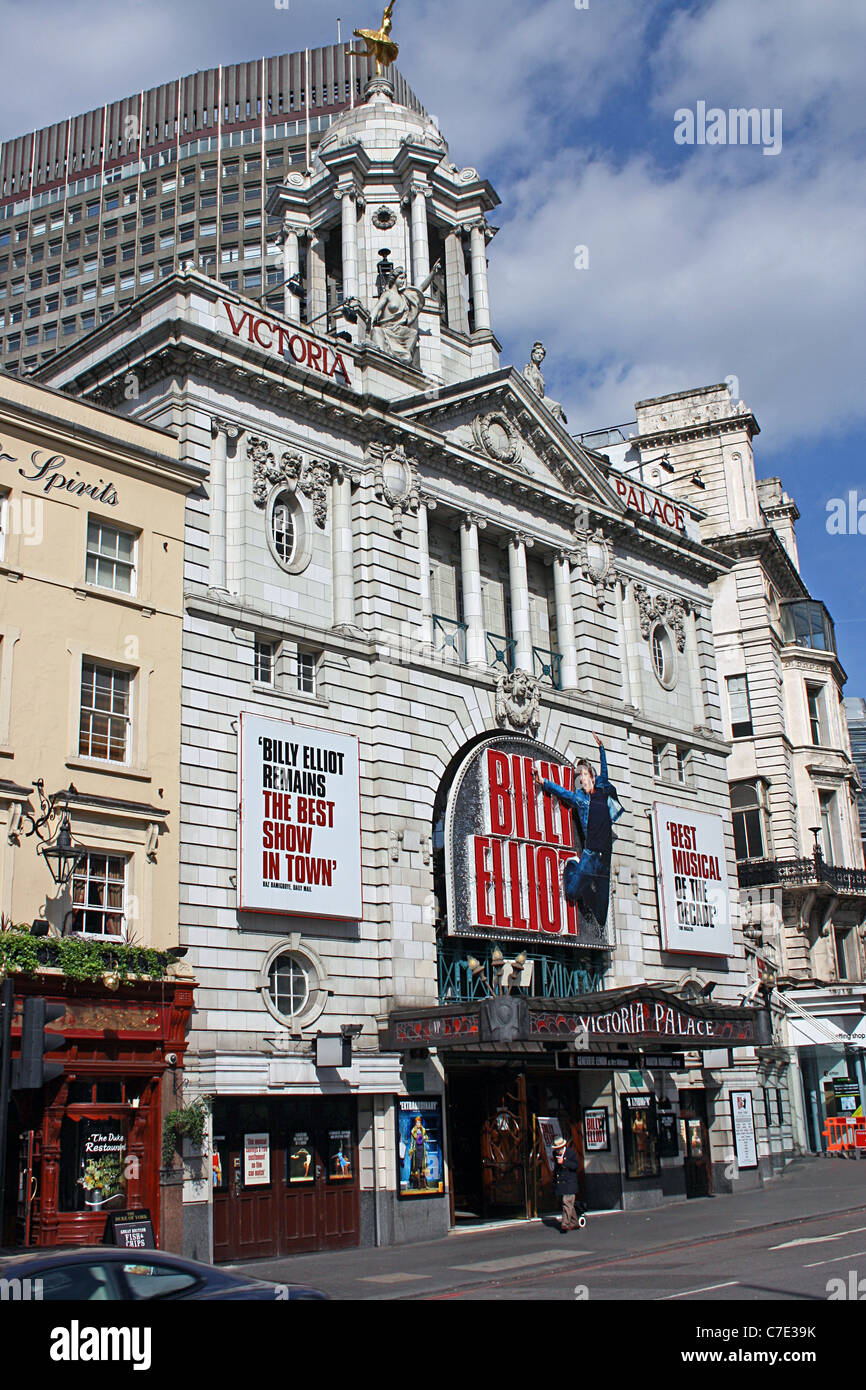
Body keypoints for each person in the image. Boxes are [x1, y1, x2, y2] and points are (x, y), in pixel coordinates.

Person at [534, 733, 624, 926]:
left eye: (585, 774)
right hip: (590, 854)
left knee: (601, 915)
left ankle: (590, 893)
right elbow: (562, 792)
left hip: (605, 855)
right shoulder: (579, 799)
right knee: (572, 891)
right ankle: (572, 865)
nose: (583, 779)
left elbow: (605, 771)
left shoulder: (601, 788)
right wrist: (544, 782)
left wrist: (601, 748)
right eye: (580, 776)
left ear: (592, 776)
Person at [367, 263, 441, 365]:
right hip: (386, 329)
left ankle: (403, 357)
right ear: (394, 279)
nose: (403, 281)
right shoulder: (387, 294)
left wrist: (432, 273)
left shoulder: (405, 296)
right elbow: (376, 309)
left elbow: (421, 289)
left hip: (399, 330)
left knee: (413, 333)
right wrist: (370, 320)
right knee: (376, 332)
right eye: (401, 278)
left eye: (404, 279)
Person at [551, 1135, 583, 1232]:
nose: (558, 1151)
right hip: (561, 1184)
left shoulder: (570, 1153)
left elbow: (575, 1165)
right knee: (568, 1204)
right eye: (556, 1149)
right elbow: (556, 1169)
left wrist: (564, 1162)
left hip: (570, 1183)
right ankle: (574, 1222)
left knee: (567, 1202)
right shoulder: (555, 1154)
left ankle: (565, 1223)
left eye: (559, 1149)